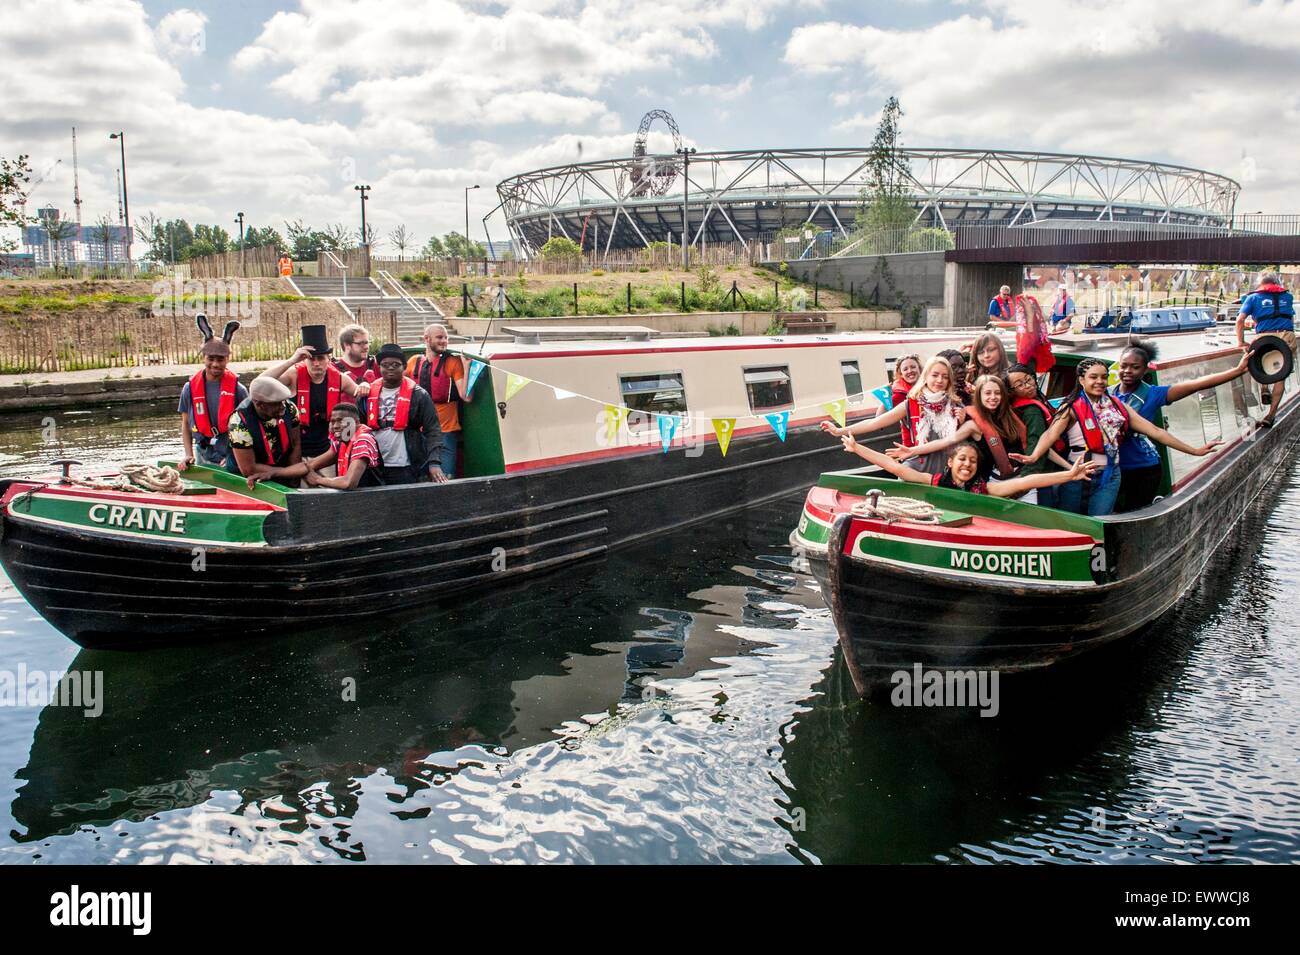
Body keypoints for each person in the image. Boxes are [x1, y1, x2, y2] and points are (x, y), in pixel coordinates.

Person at [1013, 357, 1220, 516]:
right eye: (1093, 377)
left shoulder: (1119, 407)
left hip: (1110, 475)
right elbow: (1050, 435)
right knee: (1071, 521)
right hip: (1075, 474)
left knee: (1100, 521)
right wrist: (1033, 456)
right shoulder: (1071, 408)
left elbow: (1156, 432)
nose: (1100, 382)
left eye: (1104, 377)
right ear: (1081, 380)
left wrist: (1195, 451)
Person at [1110, 340, 1251, 512]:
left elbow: (1197, 384)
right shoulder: (1107, 393)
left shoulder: (1154, 394)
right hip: (1112, 467)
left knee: (1133, 512)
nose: (1127, 371)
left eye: (1135, 367)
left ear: (1145, 369)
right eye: (1123, 366)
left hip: (1143, 468)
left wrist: (1237, 371)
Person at [822, 355, 963, 476]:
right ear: (926, 377)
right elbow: (874, 423)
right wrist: (839, 431)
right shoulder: (911, 404)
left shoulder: (956, 405)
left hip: (950, 468)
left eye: (945, 377)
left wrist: (962, 420)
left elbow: (970, 438)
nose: (939, 380)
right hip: (919, 467)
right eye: (935, 375)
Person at [888, 374, 1031, 492]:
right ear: (979, 396)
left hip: (1022, 478)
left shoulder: (1010, 417)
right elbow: (946, 441)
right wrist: (912, 451)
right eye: (987, 393)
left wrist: (1035, 456)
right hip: (995, 484)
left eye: (997, 393)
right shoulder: (973, 424)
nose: (993, 397)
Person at [841, 436, 1099, 500]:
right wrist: (857, 448)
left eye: (973, 461)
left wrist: (1069, 475)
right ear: (951, 462)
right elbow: (893, 466)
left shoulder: (984, 489)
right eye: (962, 459)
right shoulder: (933, 480)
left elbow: (1025, 483)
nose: (967, 464)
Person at [260, 325, 370, 459]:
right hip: (294, 449)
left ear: (328, 359)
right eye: (311, 358)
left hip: (325, 451)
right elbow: (260, 383)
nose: (316, 363)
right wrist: (291, 360)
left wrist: (365, 385)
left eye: (321, 358)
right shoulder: (294, 375)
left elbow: (361, 392)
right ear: (304, 360)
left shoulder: (340, 379)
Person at [361, 343, 448, 484]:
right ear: (379, 367)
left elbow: (433, 430)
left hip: (405, 467)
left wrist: (434, 463)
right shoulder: (366, 395)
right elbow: (358, 429)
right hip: (374, 466)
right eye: (385, 364)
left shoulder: (419, 395)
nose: (390, 367)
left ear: (404, 367)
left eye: (396, 364)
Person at [261, 402, 382, 490]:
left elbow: (349, 483)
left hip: (370, 502)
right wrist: (272, 473)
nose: (335, 426)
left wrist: (318, 480)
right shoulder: (340, 443)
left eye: (340, 420)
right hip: (353, 502)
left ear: (355, 423)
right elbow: (308, 465)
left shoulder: (363, 440)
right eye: (333, 421)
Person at [178, 316, 246, 470]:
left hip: (229, 458)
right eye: (211, 359)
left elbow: (247, 427)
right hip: (203, 454)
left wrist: (234, 456)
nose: (215, 364)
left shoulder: (239, 390)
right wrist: (188, 454)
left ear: (228, 359)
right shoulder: (189, 389)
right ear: (204, 358)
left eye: (220, 359)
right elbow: (185, 423)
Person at [405, 323, 472, 478]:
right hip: (419, 433)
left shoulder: (452, 363)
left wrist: (466, 366)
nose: (444, 341)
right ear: (427, 339)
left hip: (446, 433)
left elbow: (466, 396)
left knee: (446, 477)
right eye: (440, 337)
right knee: (419, 479)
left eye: (446, 338)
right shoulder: (414, 361)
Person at [1007, 363, 1072, 509]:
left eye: (1028, 380)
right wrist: (1025, 484)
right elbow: (1035, 444)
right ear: (1012, 391)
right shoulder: (1032, 412)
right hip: (1041, 473)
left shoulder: (1038, 399)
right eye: (1019, 385)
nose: (1027, 385)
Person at [1236, 271, 1296, 427]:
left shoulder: (1253, 298)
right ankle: (1270, 415)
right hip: (1285, 336)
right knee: (1280, 376)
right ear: (1277, 284)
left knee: (1260, 367)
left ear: (1260, 284)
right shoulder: (1288, 297)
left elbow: (1240, 320)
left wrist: (1241, 341)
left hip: (1264, 337)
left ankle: (1263, 387)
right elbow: (1290, 317)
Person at [226, 375, 302, 485]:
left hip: (280, 464)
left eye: (283, 401)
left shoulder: (290, 409)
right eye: (276, 403)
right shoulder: (238, 423)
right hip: (249, 472)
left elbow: (295, 444)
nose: (282, 408)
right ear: (259, 404)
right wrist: (290, 472)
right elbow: (248, 469)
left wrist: (295, 476)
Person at [1015, 293, 1055, 372]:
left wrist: (1030, 315)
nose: (1019, 309)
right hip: (1027, 354)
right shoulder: (1025, 320)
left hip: (1029, 356)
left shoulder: (1032, 320)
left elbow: (1031, 338)